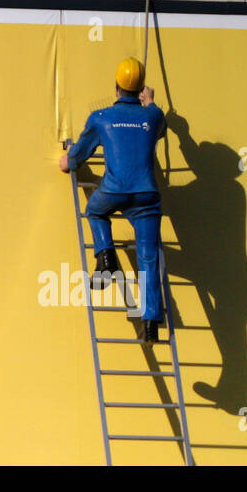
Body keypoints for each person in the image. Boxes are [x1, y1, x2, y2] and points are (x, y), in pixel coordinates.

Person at [59, 57, 167, 344]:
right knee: (148, 256)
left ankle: (106, 257)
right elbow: (161, 125)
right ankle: (151, 322)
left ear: (116, 87)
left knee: (94, 211)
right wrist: (151, 102)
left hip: (114, 191)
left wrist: (67, 160)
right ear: (141, 88)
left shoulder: (101, 118)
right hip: (146, 195)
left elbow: (77, 156)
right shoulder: (152, 117)